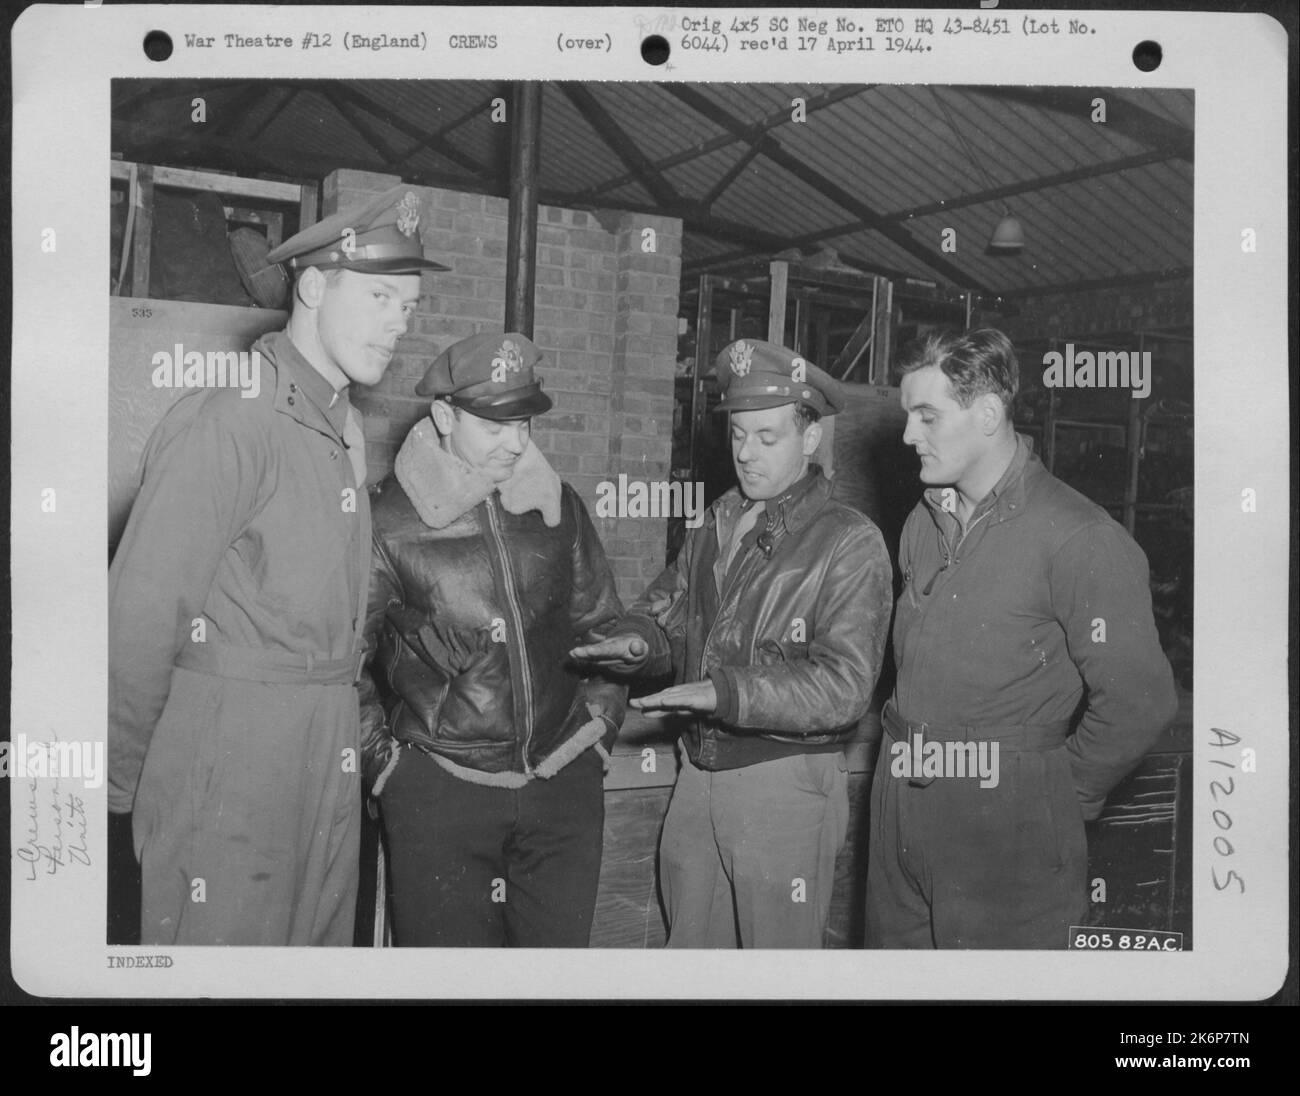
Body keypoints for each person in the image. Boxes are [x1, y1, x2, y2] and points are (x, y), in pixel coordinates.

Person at [108, 186, 446, 945]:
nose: (401, 320)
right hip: (232, 747)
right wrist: (118, 787)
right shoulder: (232, 419)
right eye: (383, 294)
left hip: (325, 739)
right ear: (315, 286)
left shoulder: (341, 428)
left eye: (410, 304)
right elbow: (137, 619)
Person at [572, 339, 893, 948]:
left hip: (784, 782)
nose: (746, 454)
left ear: (810, 438)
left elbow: (845, 686)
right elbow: (668, 611)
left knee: (775, 972)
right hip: (699, 775)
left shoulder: (848, 542)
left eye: (767, 438)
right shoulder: (717, 520)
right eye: (738, 435)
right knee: (689, 955)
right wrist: (637, 644)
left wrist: (725, 692)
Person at [867, 328, 1179, 949]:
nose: (907, 435)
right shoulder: (922, 522)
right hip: (899, 793)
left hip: (1004, 818)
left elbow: (1141, 704)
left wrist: (1060, 797)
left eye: (927, 416)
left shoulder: (1080, 538)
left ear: (988, 414)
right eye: (908, 416)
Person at [359, 331, 627, 947]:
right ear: (445, 415)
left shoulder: (559, 508)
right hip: (440, 795)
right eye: (494, 424)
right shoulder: (383, 522)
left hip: (563, 789)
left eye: (526, 422)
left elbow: (604, 629)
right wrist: (390, 773)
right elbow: (343, 667)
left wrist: (596, 736)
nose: (517, 442)